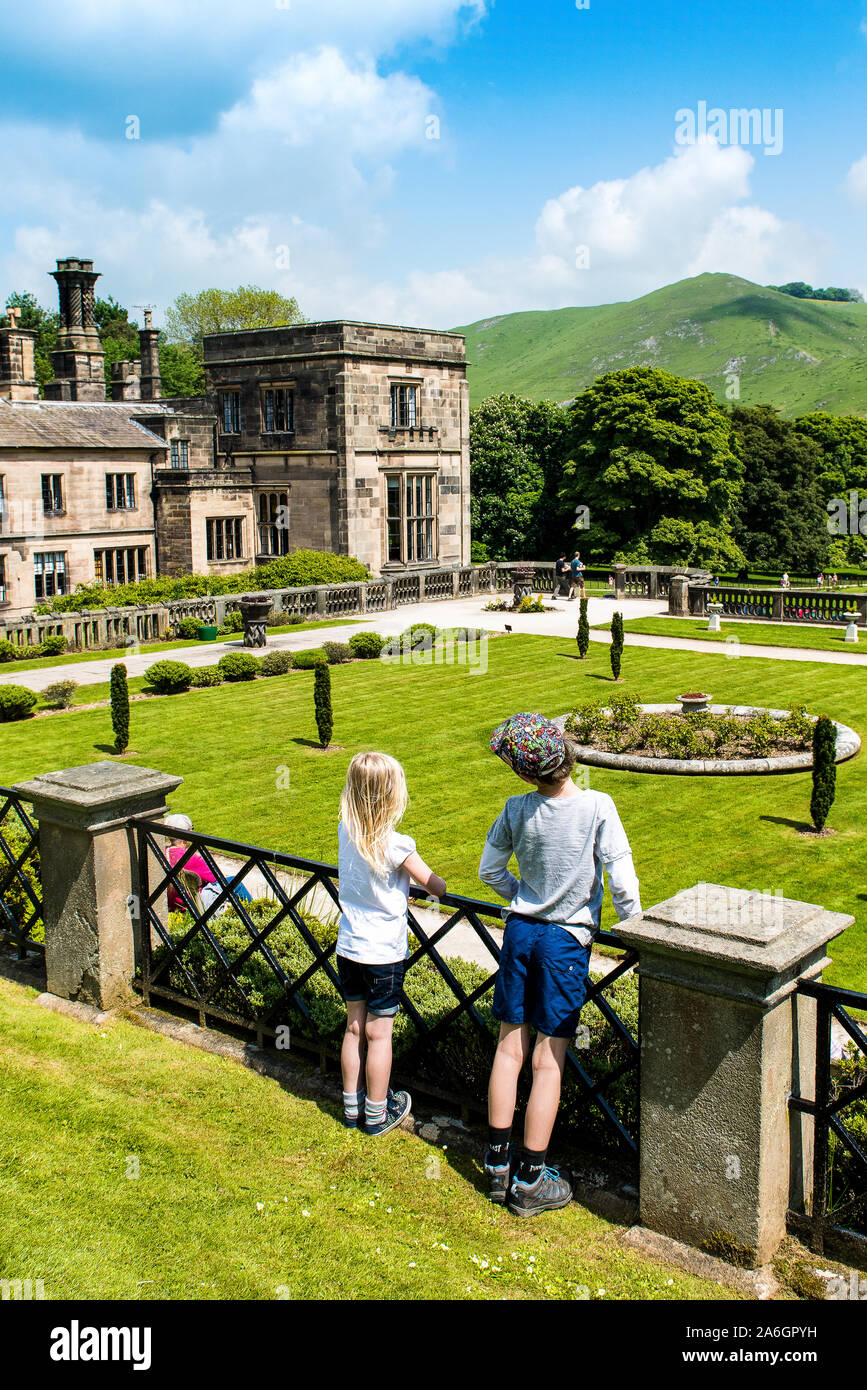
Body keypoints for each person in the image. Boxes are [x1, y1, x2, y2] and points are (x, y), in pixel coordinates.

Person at [479, 713, 641, 1217]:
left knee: (509, 1049)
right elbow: (621, 882)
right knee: (548, 1059)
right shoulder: (598, 806)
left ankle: (497, 1166)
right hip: (565, 943)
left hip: (521, 933)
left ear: (524, 774)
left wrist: (521, 898)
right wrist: (636, 931)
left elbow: (489, 871)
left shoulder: (516, 809)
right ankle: (531, 1179)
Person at [337, 752, 447, 1136]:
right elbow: (437, 886)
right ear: (391, 796)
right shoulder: (396, 844)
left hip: (349, 944)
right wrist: (416, 884)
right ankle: (377, 1113)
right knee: (379, 1033)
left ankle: (351, 1108)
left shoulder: (345, 830)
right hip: (383, 951)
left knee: (354, 1028)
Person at [164, 812, 252, 914]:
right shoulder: (190, 858)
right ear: (187, 834)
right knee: (236, 883)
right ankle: (255, 913)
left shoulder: (164, 853)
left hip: (173, 903)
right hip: (194, 902)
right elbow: (216, 878)